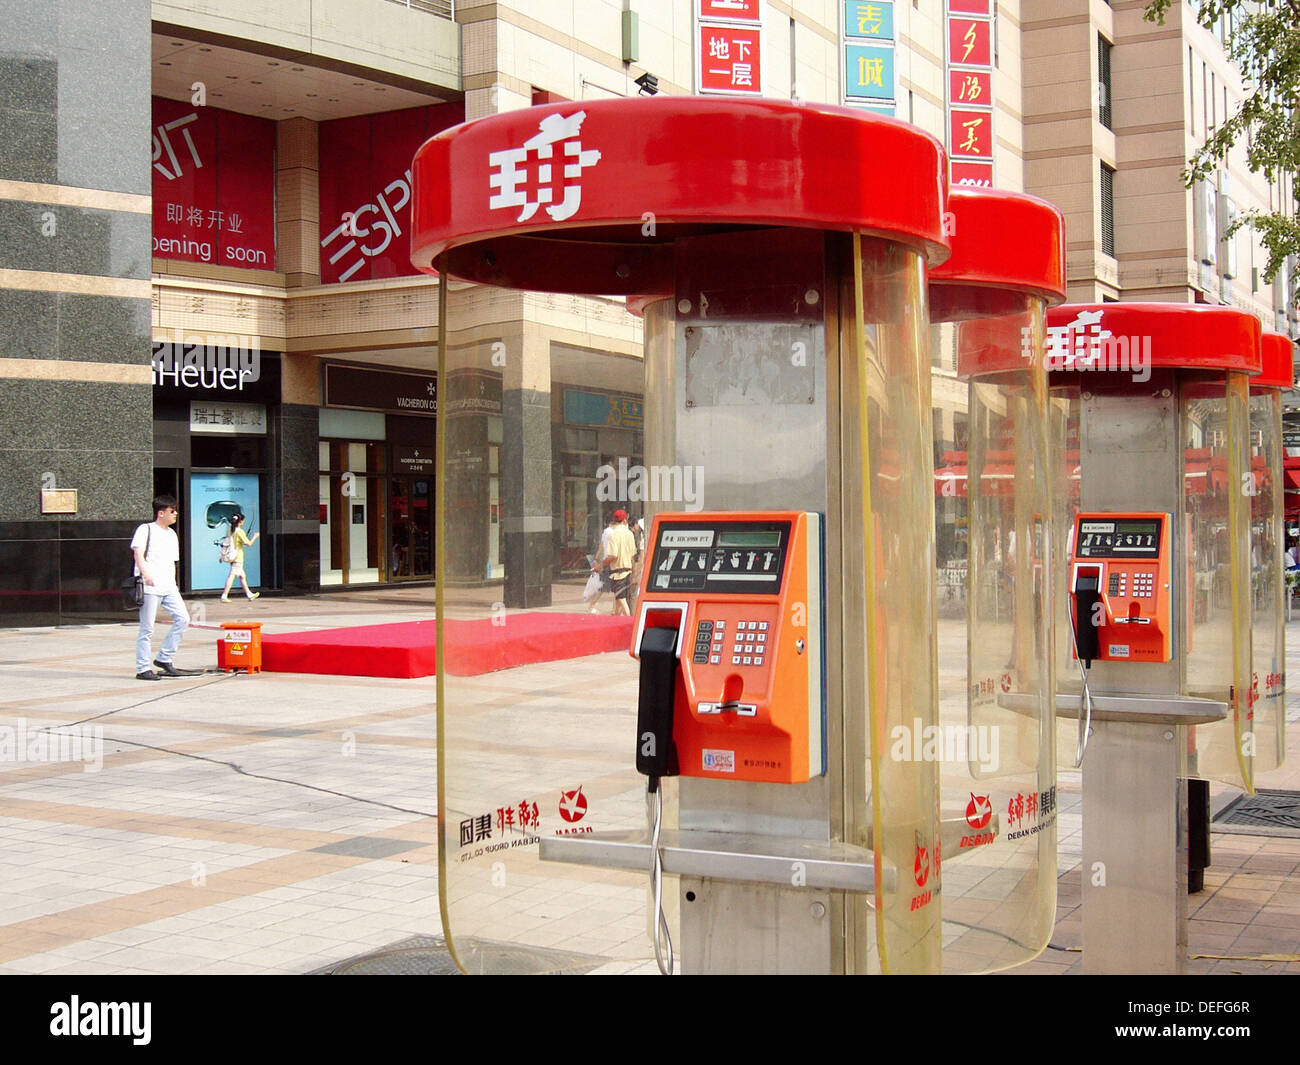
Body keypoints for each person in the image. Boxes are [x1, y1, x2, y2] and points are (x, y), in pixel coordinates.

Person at [131, 494, 201, 680]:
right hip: (150, 587)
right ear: (161, 513)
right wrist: (146, 574)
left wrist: (174, 583)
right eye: (172, 511)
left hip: (168, 586)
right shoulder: (145, 530)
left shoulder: (172, 534)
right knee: (147, 628)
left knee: (183, 619)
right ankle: (143, 668)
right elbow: (138, 553)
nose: (175, 514)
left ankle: (164, 657)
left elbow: (173, 562)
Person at [592, 509, 637, 616]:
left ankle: (629, 619)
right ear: (625, 520)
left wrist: (600, 565)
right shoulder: (630, 534)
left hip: (618, 572)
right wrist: (634, 573)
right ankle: (616, 618)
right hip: (628, 570)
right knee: (618, 600)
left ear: (614, 520)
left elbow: (613, 555)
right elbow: (633, 555)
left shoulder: (613, 535)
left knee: (621, 599)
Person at [220, 513, 261, 602]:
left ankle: (249, 594)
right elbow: (249, 543)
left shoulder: (230, 530)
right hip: (238, 558)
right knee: (232, 576)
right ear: (241, 522)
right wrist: (255, 537)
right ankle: (224, 595)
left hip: (232, 557)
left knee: (242, 576)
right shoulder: (240, 532)